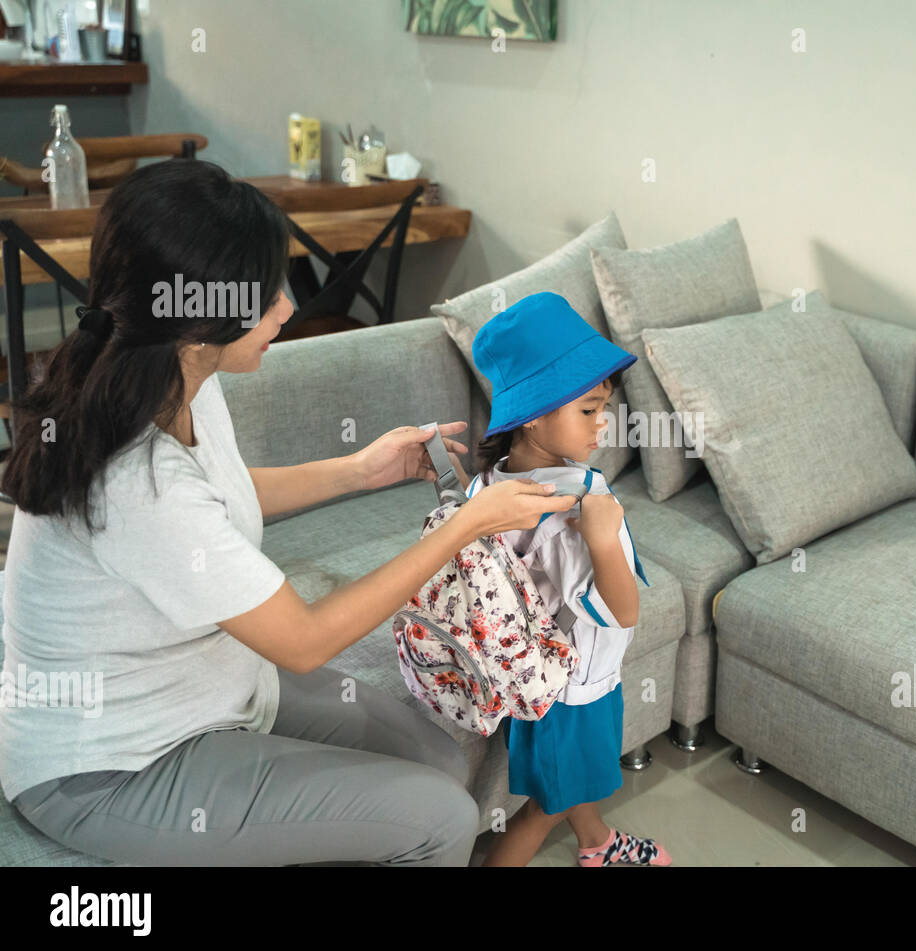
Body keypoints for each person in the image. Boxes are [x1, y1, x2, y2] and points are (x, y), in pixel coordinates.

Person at [0, 159, 575, 866]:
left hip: (209, 685)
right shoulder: (136, 478)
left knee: (438, 757)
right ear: (199, 314)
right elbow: (303, 640)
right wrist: (466, 527)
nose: (285, 308)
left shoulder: (180, 374)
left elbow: (219, 500)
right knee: (440, 819)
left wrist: (362, 471)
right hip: (112, 765)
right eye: (266, 292)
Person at [466, 292, 671, 867]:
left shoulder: (495, 483)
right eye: (587, 410)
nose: (602, 425)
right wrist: (605, 538)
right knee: (544, 808)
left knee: (565, 785)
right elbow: (621, 611)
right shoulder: (568, 513)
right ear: (533, 412)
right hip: (576, 688)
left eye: (603, 409)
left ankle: (598, 844)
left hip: (533, 678)